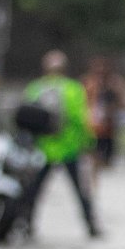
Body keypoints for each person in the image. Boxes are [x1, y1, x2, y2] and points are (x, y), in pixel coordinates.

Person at [23, 50, 103, 238]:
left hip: (43, 149)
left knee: (34, 189)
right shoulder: (73, 89)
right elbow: (81, 119)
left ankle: (25, 222)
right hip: (69, 149)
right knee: (79, 190)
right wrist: (89, 142)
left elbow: (27, 117)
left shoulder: (35, 88)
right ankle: (90, 225)